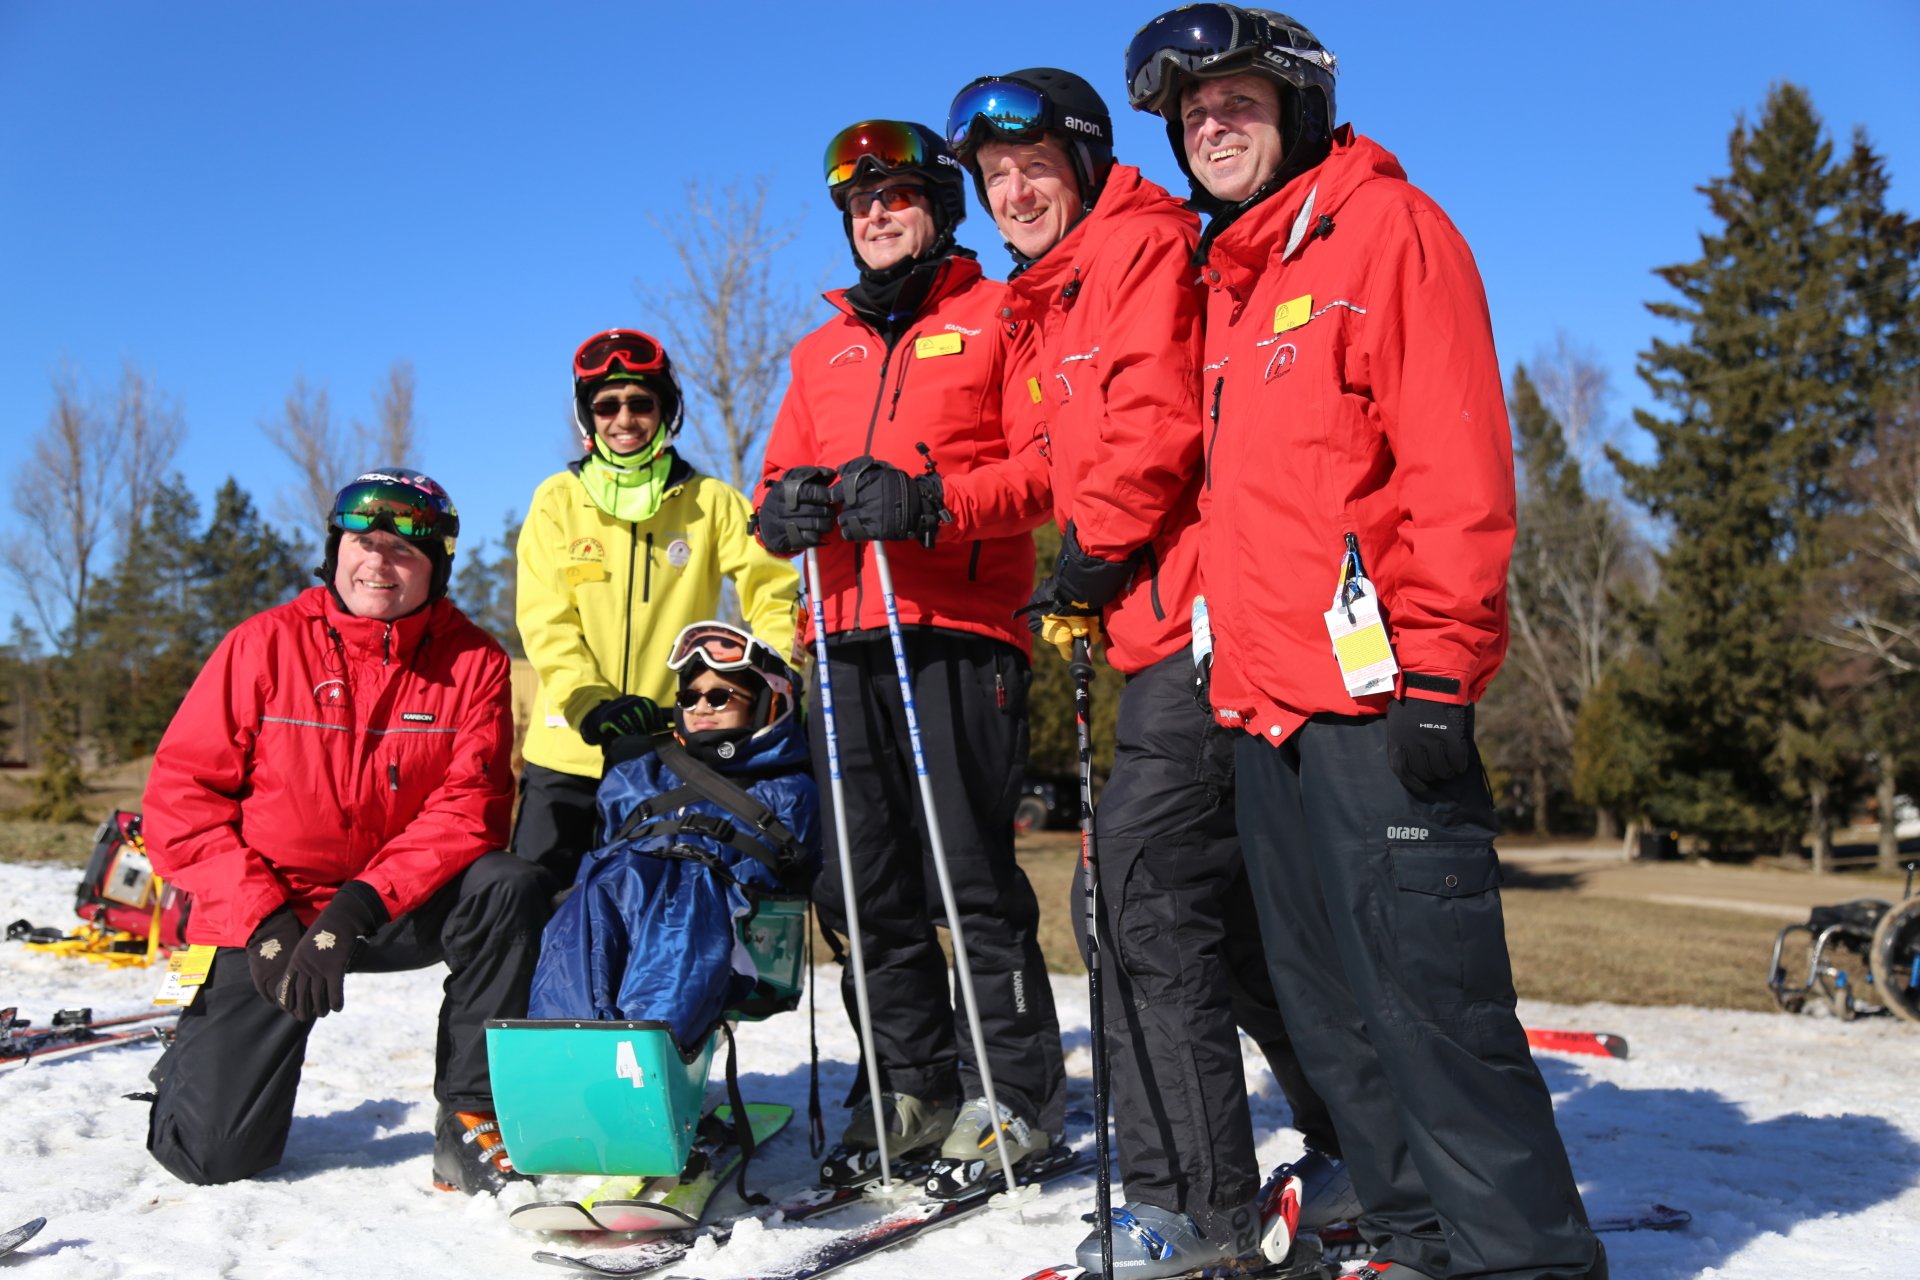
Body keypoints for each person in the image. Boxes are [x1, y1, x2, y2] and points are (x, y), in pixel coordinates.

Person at [1125, 7, 1607, 1279]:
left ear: (1299, 106)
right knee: (1332, 1016)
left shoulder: (1387, 231)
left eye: (1235, 102)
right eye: (1192, 115)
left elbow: (1457, 464)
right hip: (1263, 710)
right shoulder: (1235, 284)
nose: (1210, 128)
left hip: (1379, 705)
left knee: (1433, 1009)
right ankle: (1411, 1242)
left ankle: (1526, 1261)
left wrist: (1444, 666)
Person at [947, 66, 1343, 1278]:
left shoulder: (1138, 247)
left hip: (1212, 618)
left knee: (1132, 888)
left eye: (1034, 170)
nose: (1014, 194)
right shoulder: (1049, 295)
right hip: (1159, 625)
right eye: (995, 179)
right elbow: (1044, 467)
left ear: (1081, 164)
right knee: (1218, 911)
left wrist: (1095, 553)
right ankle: (1365, 1140)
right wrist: (924, 501)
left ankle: (1190, 1202)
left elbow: (1156, 424)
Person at [754, 119, 1063, 1196]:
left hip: (956, 631)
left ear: (940, 207)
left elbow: (1047, 469)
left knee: (967, 876)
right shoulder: (819, 350)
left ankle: (1014, 1090)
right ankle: (908, 1081)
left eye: (897, 197)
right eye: (859, 203)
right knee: (862, 886)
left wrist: (931, 504)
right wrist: (782, 512)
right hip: (840, 636)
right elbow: (773, 485)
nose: (876, 215)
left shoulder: (1000, 315)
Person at [141, 468, 550, 1196]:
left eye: (405, 550)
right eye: (364, 543)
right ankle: (188, 1057)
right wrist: (263, 918)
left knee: (507, 886)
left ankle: (471, 1116)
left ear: (437, 568)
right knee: (212, 1158)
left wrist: (360, 904)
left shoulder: (475, 662)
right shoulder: (261, 645)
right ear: (335, 551)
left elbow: (470, 807)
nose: (379, 563)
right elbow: (182, 800)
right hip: (276, 912)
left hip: (391, 907)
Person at [515, 330, 800, 889]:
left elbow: (774, 594)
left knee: (655, 907)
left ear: (666, 409)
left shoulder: (711, 502)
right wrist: (590, 704)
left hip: (671, 750)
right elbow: (546, 618)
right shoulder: (556, 500)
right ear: (587, 416)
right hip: (568, 749)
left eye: (640, 403)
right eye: (607, 406)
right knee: (536, 903)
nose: (624, 419)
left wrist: (775, 684)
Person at [528, 620, 819, 1049]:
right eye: (689, 697)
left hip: (736, 925)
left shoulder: (788, 788)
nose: (700, 707)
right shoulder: (639, 772)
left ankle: (646, 1048)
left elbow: (801, 867)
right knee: (595, 891)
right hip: (628, 897)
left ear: (765, 703)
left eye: (719, 697)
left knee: (683, 887)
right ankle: (565, 1044)